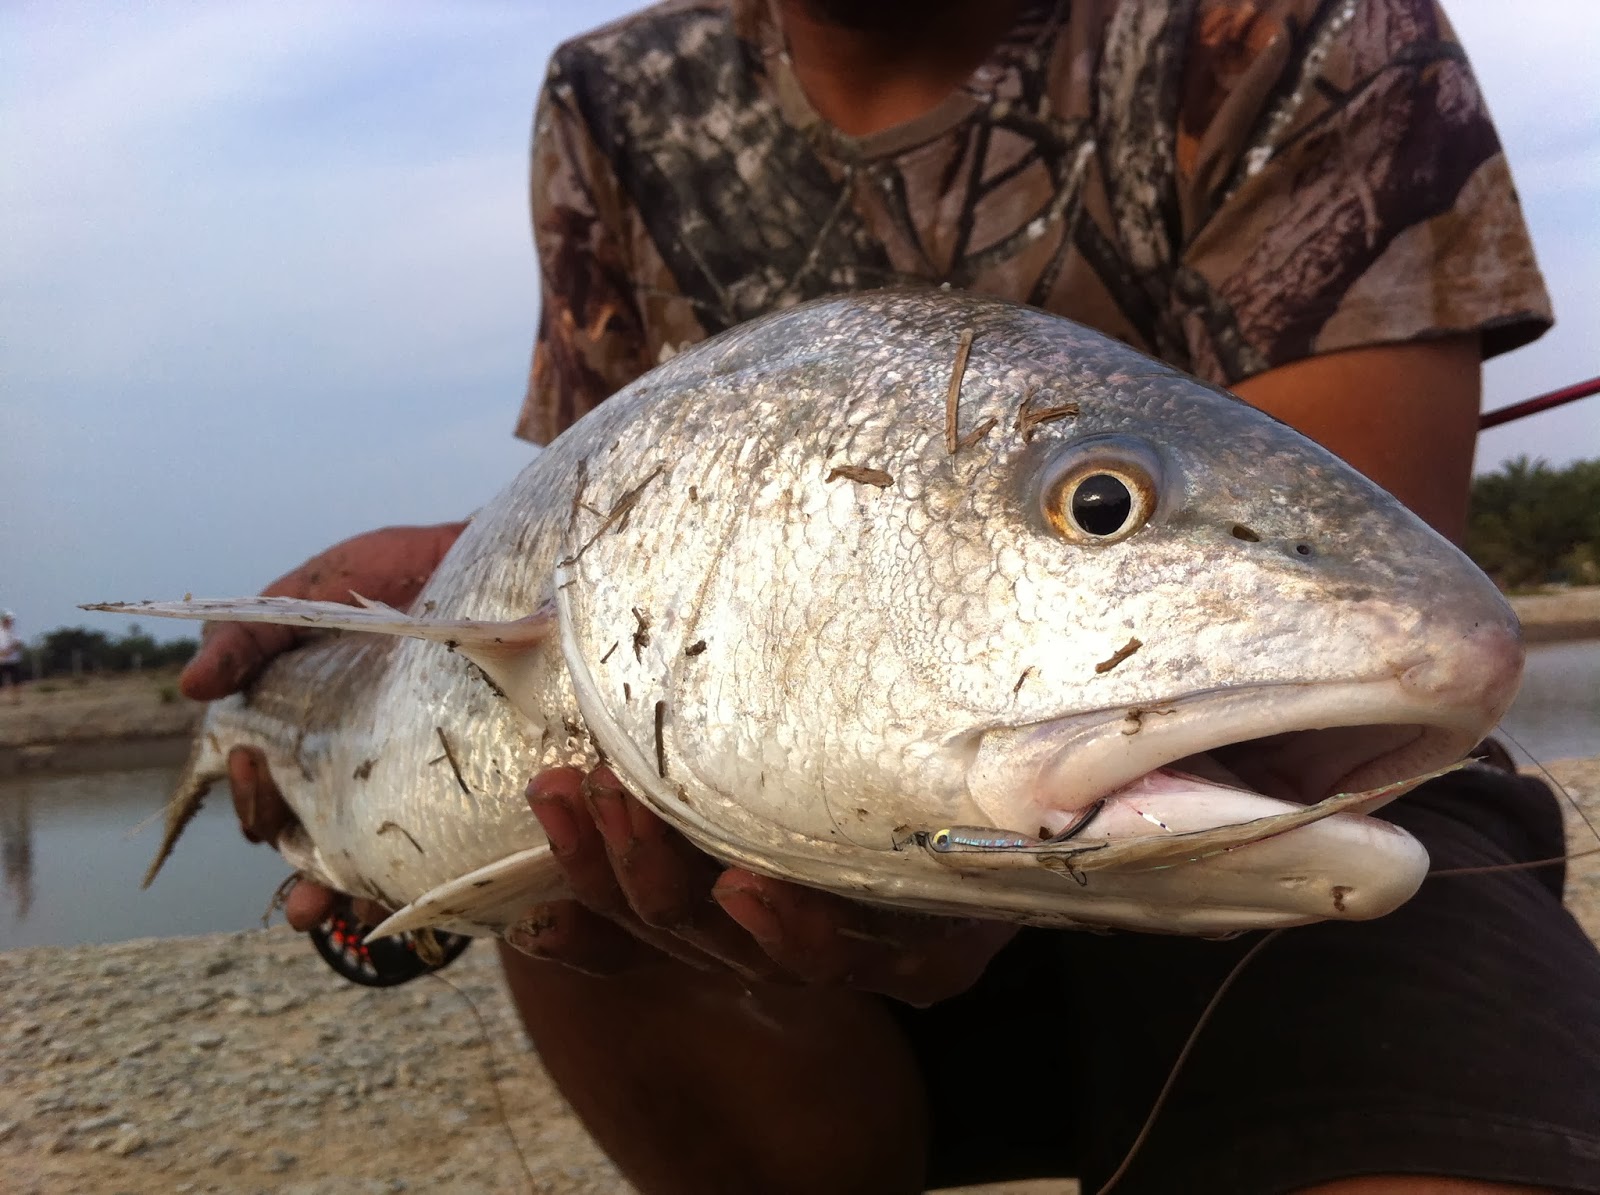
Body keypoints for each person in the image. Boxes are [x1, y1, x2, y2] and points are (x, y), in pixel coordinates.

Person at [181, 2, 1600, 1191]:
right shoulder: (609, 97)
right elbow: (616, 493)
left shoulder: (1292, 24)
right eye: (1091, 501)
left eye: (1092, 500)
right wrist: (437, 582)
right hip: (751, 854)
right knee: (587, 866)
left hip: (1252, 816)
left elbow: (1384, 614)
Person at [0, 612, 24, 703]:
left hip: (14, 660)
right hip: (1, 660)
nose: (10, 622)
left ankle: (16, 700)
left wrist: (9, 650)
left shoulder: (14, 631)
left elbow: (18, 643)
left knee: (16, 681)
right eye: (8, 619)